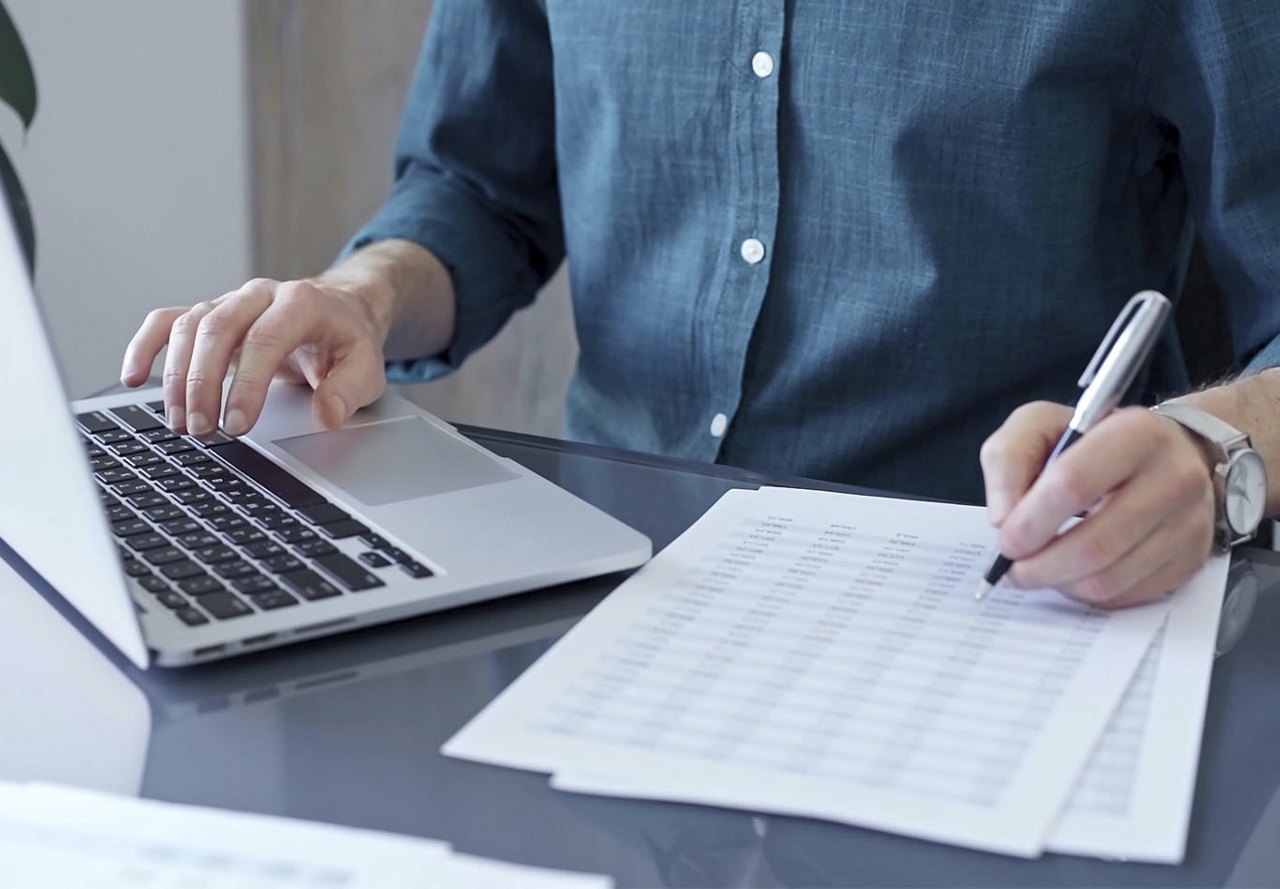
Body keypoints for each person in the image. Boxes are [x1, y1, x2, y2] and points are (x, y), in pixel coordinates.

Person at [120, 2, 1280, 609]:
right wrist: (358, 296)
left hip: (986, 596)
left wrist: (1211, 448)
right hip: (592, 584)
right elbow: (477, 187)